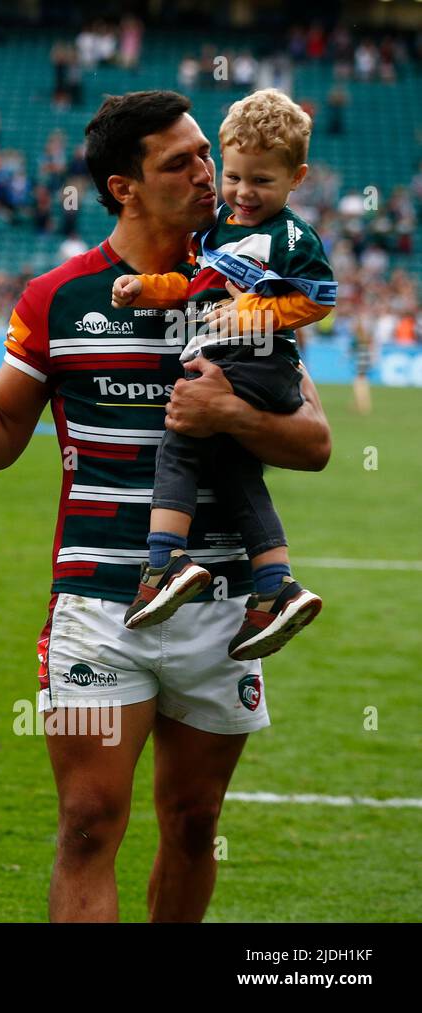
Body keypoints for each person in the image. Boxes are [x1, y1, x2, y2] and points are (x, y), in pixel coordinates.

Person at [0, 90, 330, 922]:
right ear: (124, 186)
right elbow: (0, 436)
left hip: (224, 607)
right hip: (99, 604)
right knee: (86, 825)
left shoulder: (240, 279)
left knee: (193, 824)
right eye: (179, 161)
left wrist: (231, 414)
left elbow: (314, 442)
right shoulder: (58, 298)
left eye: (204, 154)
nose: (206, 172)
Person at [112, 88, 333, 660]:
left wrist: (253, 310)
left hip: (258, 360)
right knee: (237, 472)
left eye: (261, 180)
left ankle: (163, 563)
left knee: (179, 443)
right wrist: (146, 289)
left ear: (296, 178)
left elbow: (319, 298)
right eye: (234, 176)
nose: (243, 192)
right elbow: (192, 286)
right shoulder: (216, 230)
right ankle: (276, 587)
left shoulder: (291, 236)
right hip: (244, 360)